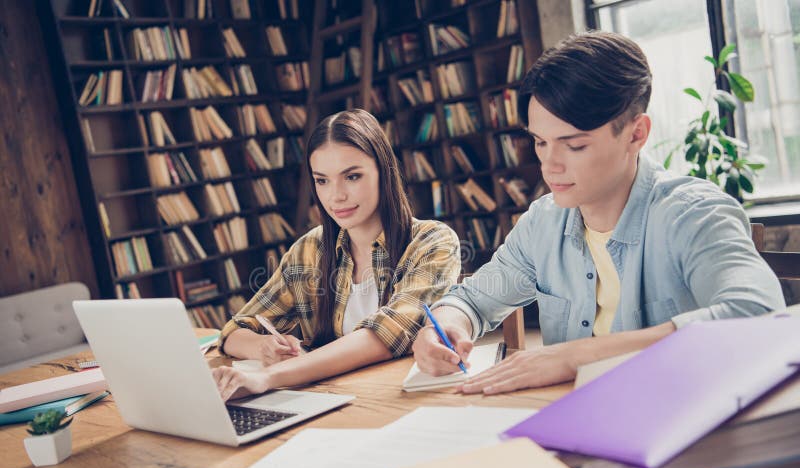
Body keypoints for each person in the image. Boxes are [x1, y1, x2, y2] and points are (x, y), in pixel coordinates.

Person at [411, 31, 785, 395]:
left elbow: (758, 314)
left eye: (573, 146)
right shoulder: (542, 224)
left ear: (636, 134)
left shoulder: (694, 215)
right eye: (540, 142)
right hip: (576, 423)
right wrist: (443, 328)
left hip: (685, 421)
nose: (550, 165)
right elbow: (472, 300)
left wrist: (576, 356)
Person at [213, 109, 460, 400]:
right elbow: (234, 331)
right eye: (322, 180)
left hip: (401, 401)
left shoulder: (432, 242)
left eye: (352, 176)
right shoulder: (310, 249)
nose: (336, 196)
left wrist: (268, 376)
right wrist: (262, 348)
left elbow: (385, 335)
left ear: (384, 172)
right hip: (327, 398)